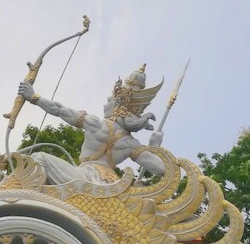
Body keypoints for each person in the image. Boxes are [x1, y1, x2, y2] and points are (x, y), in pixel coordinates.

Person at [16, 64, 166, 184]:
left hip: (83, 178)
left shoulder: (97, 124)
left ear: (117, 105)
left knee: (38, 158)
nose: (105, 105)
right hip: (111, 187)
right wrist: (155, 147)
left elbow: (59, 110)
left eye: (109, 101)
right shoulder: (132, 144)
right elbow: (160, 168)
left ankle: (29, 195)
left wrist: (33, 97)